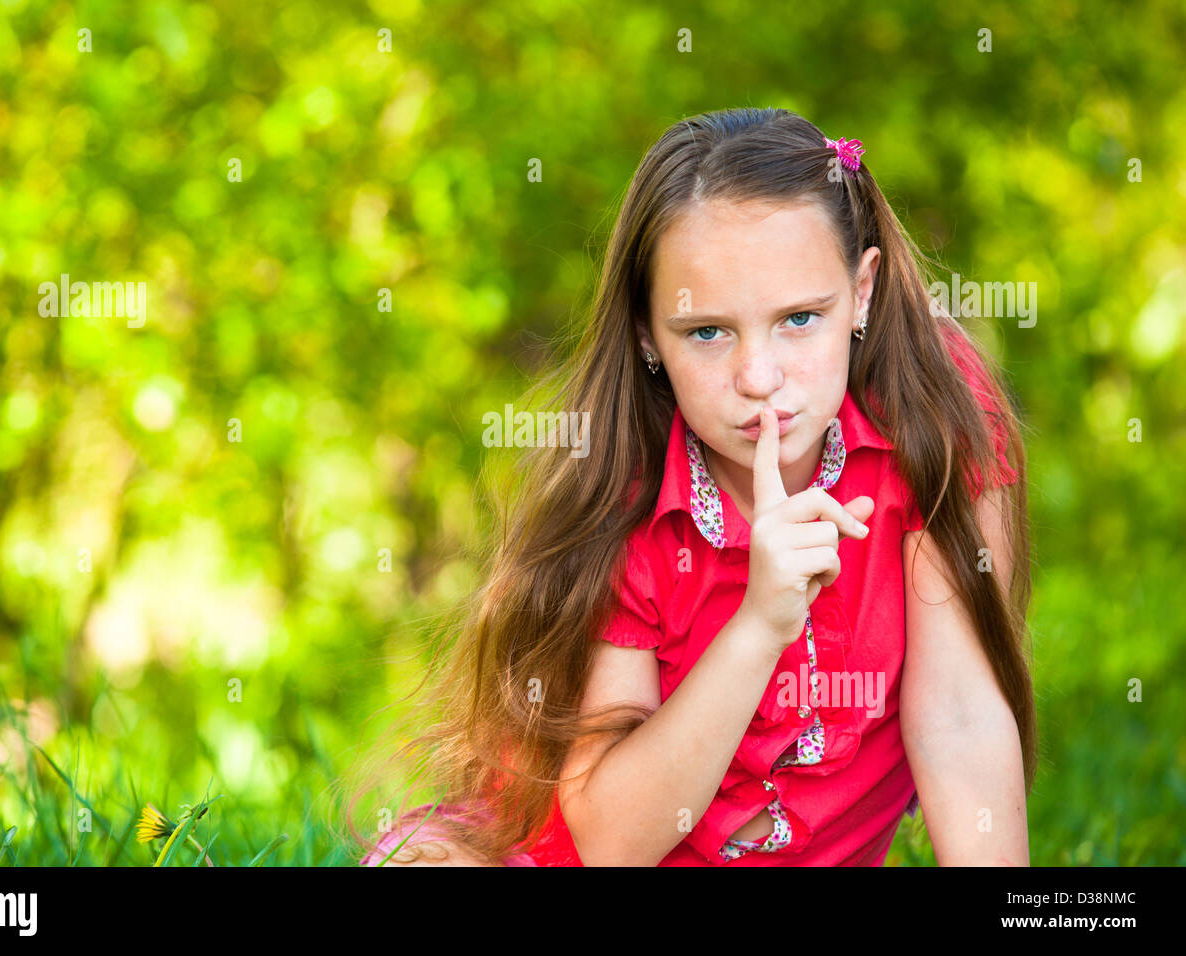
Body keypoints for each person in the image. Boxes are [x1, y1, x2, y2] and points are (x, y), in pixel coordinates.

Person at [349, 107, 1035, 867]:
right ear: (647, 332)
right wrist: (761, 623)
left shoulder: (936, 411)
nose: (759, 378)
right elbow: (613, 843)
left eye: (801, 318)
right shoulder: (619, 491)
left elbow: (960, 717)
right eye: (707, 332)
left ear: (863, 290)